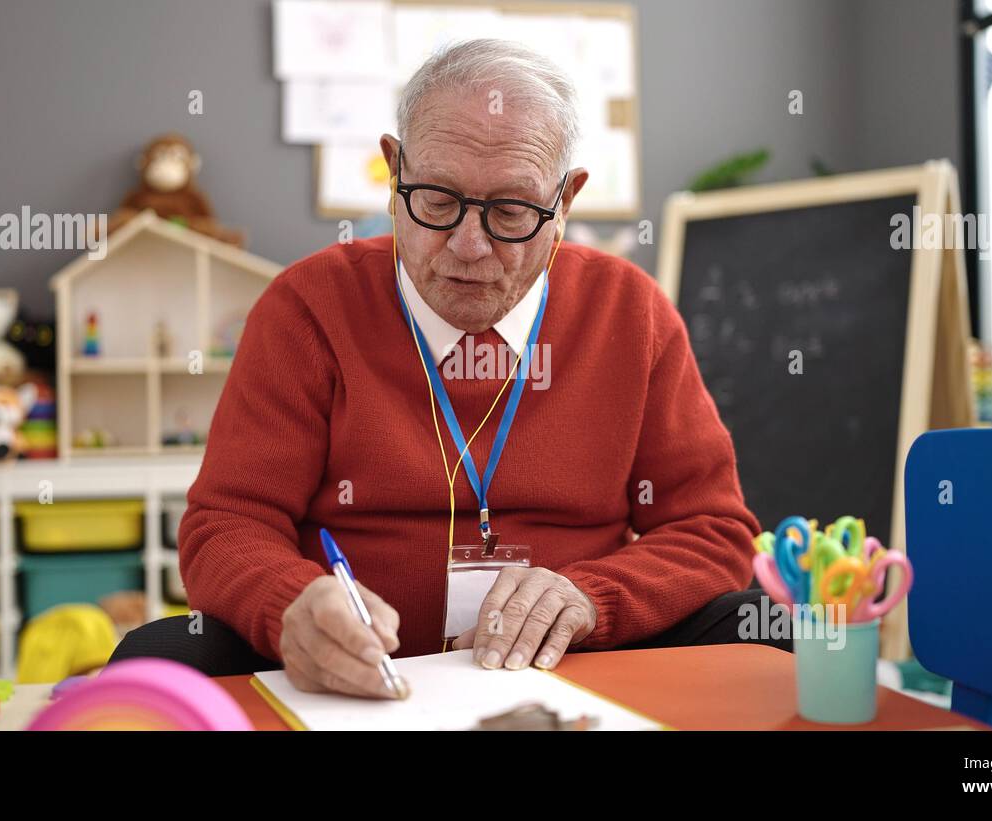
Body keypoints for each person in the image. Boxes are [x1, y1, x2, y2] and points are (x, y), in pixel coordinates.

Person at [112, 39, 785, 695]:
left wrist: (592, 597)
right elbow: (225, 524)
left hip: (574, 660)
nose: (468, 245)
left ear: (565, 203)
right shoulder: (308, 308)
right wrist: (295, 602)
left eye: (512, 210)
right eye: (435, 199)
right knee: (162, 653)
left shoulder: (628, 311)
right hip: (357, 671)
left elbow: (713, 529)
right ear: (393, 170)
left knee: (771, 630)